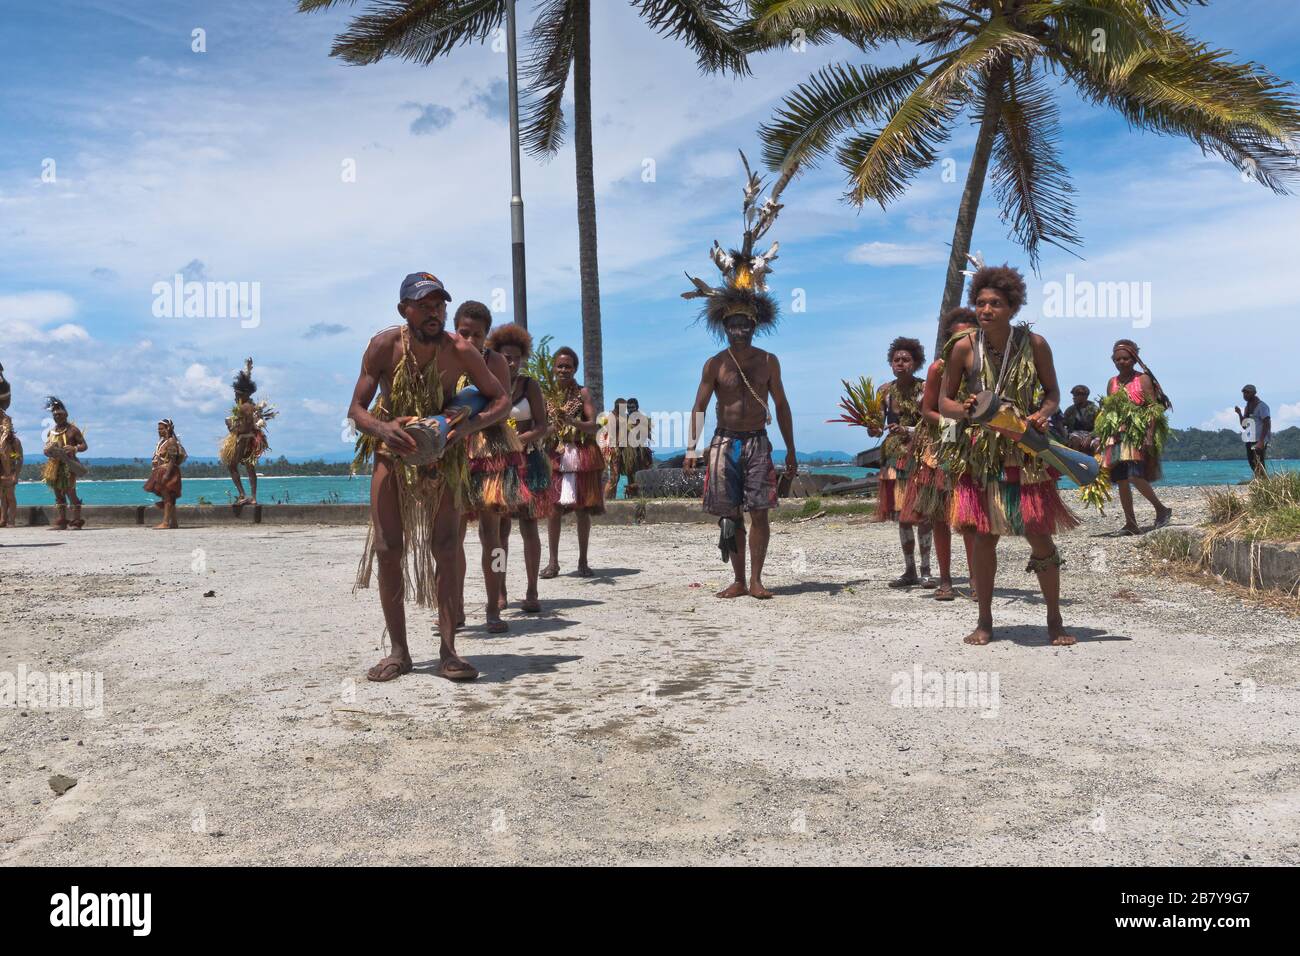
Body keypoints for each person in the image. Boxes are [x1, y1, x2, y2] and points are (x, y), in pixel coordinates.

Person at [348, 272, 510, 683]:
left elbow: (501, 399)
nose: (434, 313)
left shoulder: (459, 350)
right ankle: (399, 652)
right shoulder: (384, 346)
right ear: (404, 309)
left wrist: (468, 429)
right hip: (392, 452)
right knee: (387, 548)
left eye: (439, 305)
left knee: (447, 547)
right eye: (424, 305)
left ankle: (449, 651)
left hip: (444, 454)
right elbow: (357, 410)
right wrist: (384, 429)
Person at [939, 264, 1080, 646]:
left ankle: (1054, 619)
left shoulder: (1034, 344)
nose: (986, 310)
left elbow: (1053, 394)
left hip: (1025, 452)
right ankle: (985, 620)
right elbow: (943, 401)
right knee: (984, 539)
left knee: (1041, 538)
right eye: (981, 303)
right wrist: (967, 410)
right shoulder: (965, 347)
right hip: (982, 456)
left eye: (996, 304)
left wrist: (1042, 413)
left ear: (1012, 307)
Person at [681, 152, 797, 600]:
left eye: (746, 323)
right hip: (724, 441)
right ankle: (735, 578)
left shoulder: (769, 361)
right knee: (729, 514)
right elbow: (699, 406)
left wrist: (790, 449)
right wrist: (692, 447)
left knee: (761, 512)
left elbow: (782, 405)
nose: (741, 329)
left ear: (755, 324)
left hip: (758, 443)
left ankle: (756, 579)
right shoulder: (714, 364)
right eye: (734, 324)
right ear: (725, 326)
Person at [450, 300, 525, 634]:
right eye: (464, 332)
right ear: (455, 328)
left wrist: (472, 424)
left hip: (490, 449)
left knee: (491, 535)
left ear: (486, 336)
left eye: (477, 335)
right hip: (453, 449)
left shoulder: (495, 362)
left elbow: (503, 403)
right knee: (451, 536)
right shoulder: (442, 357)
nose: (469, 339)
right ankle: (454, 609)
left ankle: (494, 607)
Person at [899, 307, 978, 601]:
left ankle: (975, 580)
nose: (964, 341)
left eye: (969, 335)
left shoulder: (984, 369)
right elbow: (927, 411)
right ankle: (945, 581)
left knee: (970, 519)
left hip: (973, 449)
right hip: (941, 450)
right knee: (941, 517)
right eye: (958, 336)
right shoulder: (939, 369)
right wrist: (956, 421)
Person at [486, 322, 552, 613]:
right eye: (505, 356)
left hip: (529, 465)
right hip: (498, 467)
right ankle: (499, 591)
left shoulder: (529, 386)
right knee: (499, 533)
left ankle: (532, 589)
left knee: (529, 528)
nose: (511, 362)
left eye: (516, 357)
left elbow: (542, 426)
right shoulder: (487, 386)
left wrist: (518, 439)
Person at [871, 336, 933, 589]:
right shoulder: (884, 391)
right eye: (896, 360)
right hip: (895, 456)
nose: (900, 363)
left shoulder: (926, 388)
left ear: (916, 363)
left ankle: (926, 570)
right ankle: (909, 570)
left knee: (924, 513)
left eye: (906, 360)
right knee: (903, 515)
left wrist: (908, 429)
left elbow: (933, 423)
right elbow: (875, 428)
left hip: (922, 454)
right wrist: (872, 427)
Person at [1096, 339, 1173, 534]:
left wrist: (1148, 435)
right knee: (1121, 479)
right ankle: (1131, 523)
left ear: (1134, 359)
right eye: (1117, 359)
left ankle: (1161, 509)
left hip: (1136, 435)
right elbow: (1108, 410)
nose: (1121, 362)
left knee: (1133, 475)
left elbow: (1152, 408)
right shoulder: (1112, 382)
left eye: (1125, 358)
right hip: (1116, 436)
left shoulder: (1143, 379)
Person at [541, 347, 604, 578]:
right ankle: (553, 562)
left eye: (568, 366)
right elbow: (540, 427)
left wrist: (571, 422)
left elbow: (594, 425)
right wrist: (553, 428)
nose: (564, 370)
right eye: (560, 366)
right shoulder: (546, 395)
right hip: (555, 455)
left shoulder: (582, 393)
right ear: (554, 368)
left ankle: (583, 561)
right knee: (553, 509)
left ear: (575, 368)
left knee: (582, 509)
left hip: (581, 453)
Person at [219, 359, 273, 506]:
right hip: (249, 438)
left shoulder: (246, 407)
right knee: (249, 467)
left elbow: (245, 427)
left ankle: (243, 494)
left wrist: (231, 426)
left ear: (243, 394)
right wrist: (247, 371)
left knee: (233, 465)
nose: (235, 396)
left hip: (245, 439)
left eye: (237, 394)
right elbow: (246, 382)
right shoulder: (246, 404)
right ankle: (252, 497)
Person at [42, 396, 87, 531]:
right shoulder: (51, 432)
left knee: (70, 491)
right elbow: (46, 449)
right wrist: (48, 450)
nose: (57, 417)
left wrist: (74, 448)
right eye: (55, 415)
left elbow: (84, 445)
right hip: (55, 466)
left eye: (60, 414)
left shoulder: (73, 430)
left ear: (66, 414)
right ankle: (62, 520)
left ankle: (76, 520)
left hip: (69, 465)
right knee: (57, 492)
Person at [603, 397, 654, 499]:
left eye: (633, 407)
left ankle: (637, 498)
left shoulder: (643, 419)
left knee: (638, 476)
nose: (631, 410)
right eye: (629, 408)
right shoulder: (624, 419)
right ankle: (609, 500)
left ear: (637, 407)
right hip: (625, 453)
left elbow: (648, 436)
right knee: (622, 476)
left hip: (639, 452)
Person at [143, 419, 185, 529]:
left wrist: (167, 474)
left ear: (168, 429)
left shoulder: (171, 441)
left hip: (168, 471)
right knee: (169, 497)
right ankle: (174, 522)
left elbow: (172, 459)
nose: (159, 431)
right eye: (158, 429)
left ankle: (166, 523)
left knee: (167, 497)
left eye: (161, 429)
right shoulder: (163, 442)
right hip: (162, 471)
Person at [0, 365, 21, 528]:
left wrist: (15, 473)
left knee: (10, 496)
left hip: (9, 471)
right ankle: (3, 518)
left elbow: (19, 458)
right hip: (2, 471)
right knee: (2, 496)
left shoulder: (13, 441)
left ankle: (11, 519)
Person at [1235, 385, 1271, 478]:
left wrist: (1261, 441)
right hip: (1250, 438)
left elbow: (1266, 422)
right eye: (1244, 393)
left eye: (1247, 392)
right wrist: (1239, 414)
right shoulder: (1247, 407)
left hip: (1259, 439)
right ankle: (1260, 482)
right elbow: (1244, 425)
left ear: (1254, 393)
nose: (1245, 395)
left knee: (1259, 462)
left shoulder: (1262, 406)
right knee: (1252, 462)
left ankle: (1264, 483)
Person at [1062, 385, 1100, 453]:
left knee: (1096, 444)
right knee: (1075, 441)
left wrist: (1090, 437)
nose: (1073, 398)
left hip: (1092, 434)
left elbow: (1099, 427)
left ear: (1085, 396)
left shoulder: (1095, 409)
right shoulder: (1070, 410)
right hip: (1075, 434)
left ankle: (1097, 462)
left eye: (1076, 396)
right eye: (1073, 396)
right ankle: (1076, 461)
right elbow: (1063, 425)